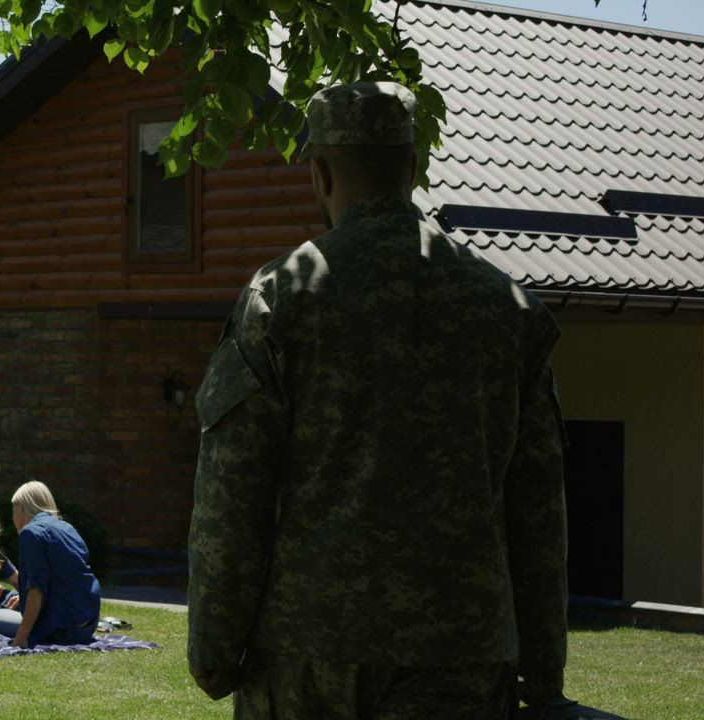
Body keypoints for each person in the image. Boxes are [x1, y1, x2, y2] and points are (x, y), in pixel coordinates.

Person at [186, 82, 569, 719]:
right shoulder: (507, 306)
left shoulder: (281, 298)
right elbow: (539, 504)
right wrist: (544, 662)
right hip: (464, 653)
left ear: (321, 171)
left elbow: (232, 491)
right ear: (413, 168)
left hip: (313, 651)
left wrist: (214, 650)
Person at [0, 481, 101, 647]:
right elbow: (64, 577)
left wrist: (21, 638)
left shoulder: (30, 533)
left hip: (61, 628)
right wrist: (24, 598)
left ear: (21, 508)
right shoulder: (68, 528)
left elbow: (37, 588)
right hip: (88, 622)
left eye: (14, 509)